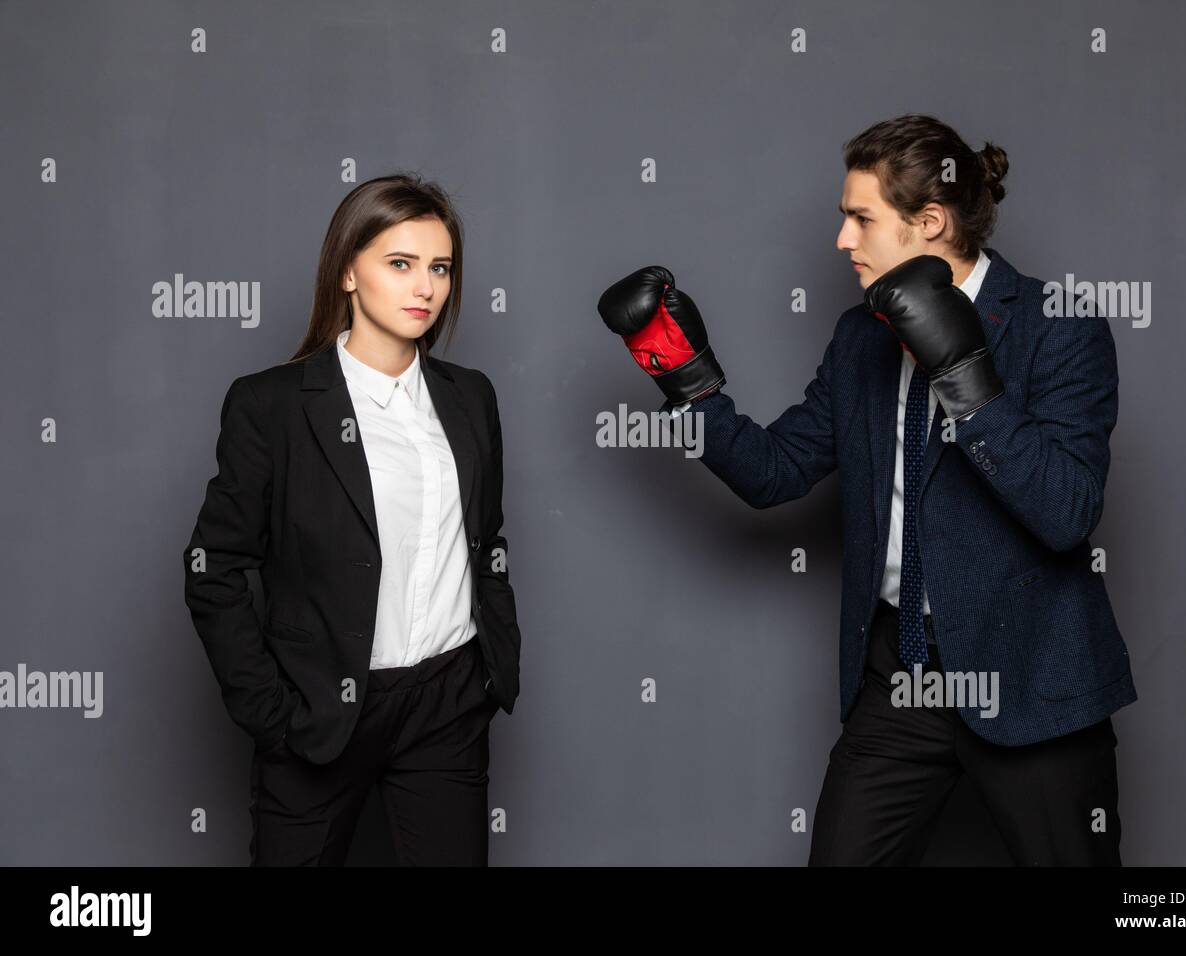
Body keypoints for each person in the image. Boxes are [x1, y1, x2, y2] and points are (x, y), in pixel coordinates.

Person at [598, 114, 1136, 866]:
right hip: (900, 677)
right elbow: (776, 471)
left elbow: (1066, 514)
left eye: (860, 218)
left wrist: (970, 387)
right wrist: (684, 379)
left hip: (1032, 680)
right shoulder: (862, 337)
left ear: (931, 221)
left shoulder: (1058, 326)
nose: (842, 241)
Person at [183, 173, 521, 866]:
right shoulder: (271, 406)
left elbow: (486, 541)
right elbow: (213, 568)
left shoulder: (470, 398)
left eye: (439, 268)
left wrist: (492, 670)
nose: (424, 287)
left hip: (447, 704)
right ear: (347, 272)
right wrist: (273, 716)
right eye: (399, 264)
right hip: (323, 709)